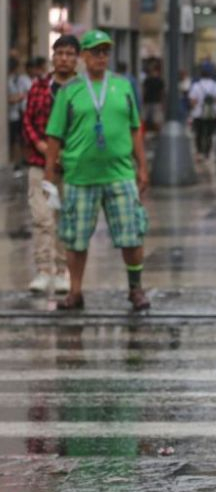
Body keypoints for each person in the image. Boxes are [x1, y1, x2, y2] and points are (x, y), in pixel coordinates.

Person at [44, 29, 150, 311]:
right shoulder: (70, 91)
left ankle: (135, 288)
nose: (102, 57)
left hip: (120, 174)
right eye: (96, 52)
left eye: (106, 52)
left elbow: (135, 129)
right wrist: (48, 179)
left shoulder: (122, 86)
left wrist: (143, 168)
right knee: (76, 239)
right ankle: (75, 291)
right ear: (84, 57)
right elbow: (54, 136)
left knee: (132, 234)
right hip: (80, 176)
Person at [21, 36, 78, 294]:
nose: (64, 58)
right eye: (59, 53)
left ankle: (64, 270)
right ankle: (44, 271)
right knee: (42, 218)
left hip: (72, 167)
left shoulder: (82, 89)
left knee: (67, 219)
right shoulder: (39, 87)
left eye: (69, 54)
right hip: (39, 164)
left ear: (77, 58)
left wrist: (66, 153)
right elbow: (27, 122)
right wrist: (43, 148)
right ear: (53, 57)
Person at [188, 63, 216, 160]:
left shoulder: (196, 85)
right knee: (210, 133)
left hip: (198, 114)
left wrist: (196, 107)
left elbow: (192, 101)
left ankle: (199, 152)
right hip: (213, 113)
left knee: (198, 133)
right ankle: (207, 152)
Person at [8, 57, 31, 174]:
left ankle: (18, 162)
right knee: (12, 140)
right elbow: (9, 99)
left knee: (19, 139)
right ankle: (11, 162)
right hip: (10, 116)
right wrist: (18, 97)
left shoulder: (16, 79)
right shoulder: (6, 80)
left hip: (17, 114)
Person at [140, 59, 165, 135]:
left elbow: (144, 91)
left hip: (151, 102)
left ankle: (153, 135)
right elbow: (162, 93)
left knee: (150, 121)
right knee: (154, 121)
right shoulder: (157, 80)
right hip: (154, 102)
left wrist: (142, 101)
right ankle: (156, 136)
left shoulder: (149, 80)